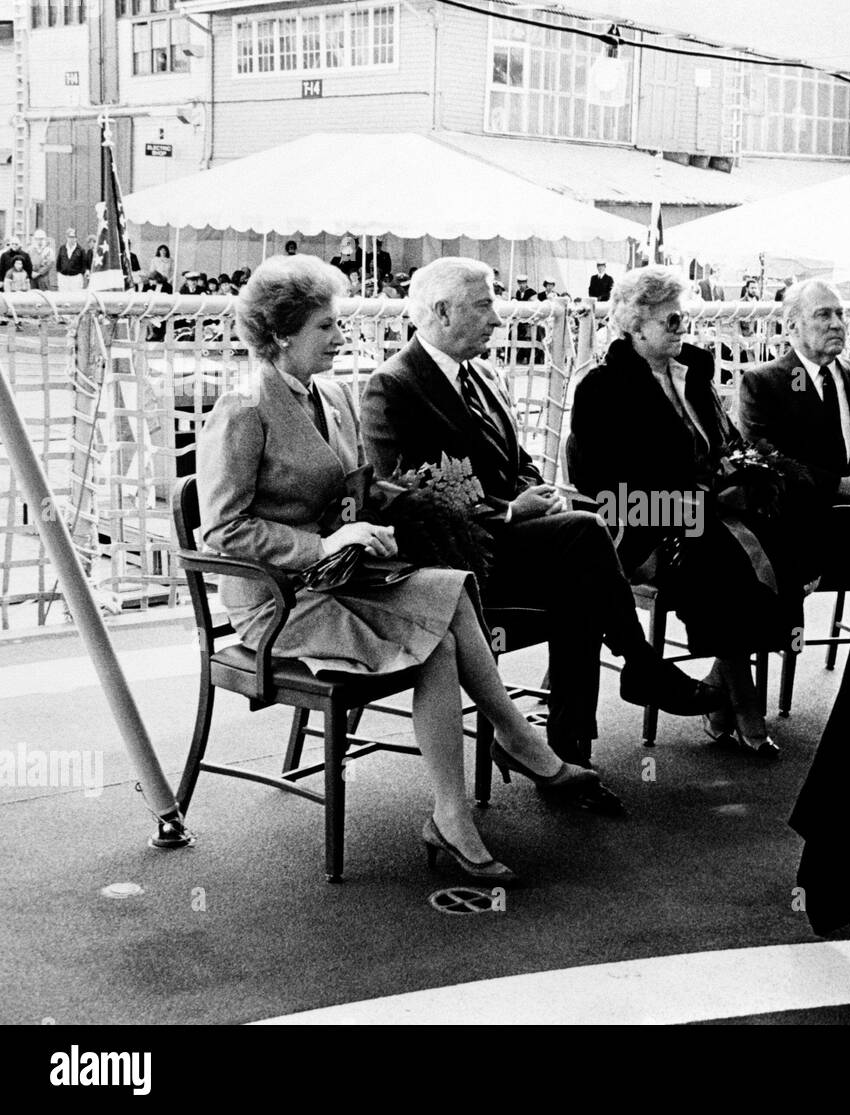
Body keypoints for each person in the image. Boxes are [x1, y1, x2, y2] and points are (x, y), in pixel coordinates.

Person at [197, 255, 619, 881]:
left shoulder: (329, 397)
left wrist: (418, 506)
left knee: (448, 596)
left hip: (339, 579)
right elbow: (221, 530)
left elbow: (358, 487)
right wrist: (324, 545)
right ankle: (500, 764)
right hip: (279, 601)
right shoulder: (244, 409)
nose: (342, 338)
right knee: (441, 639)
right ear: (282, 334)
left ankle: (463, 803)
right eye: (326, 327)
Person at [361, 258, 721, 769]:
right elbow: (407, 500)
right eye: (486, 305)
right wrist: (510, 512)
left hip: (514, 544)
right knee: (584, 537)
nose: (499, 319)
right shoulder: (392, 386)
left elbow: (519, 461)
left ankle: (569, 754)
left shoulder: (482, 373)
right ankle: (637, 668)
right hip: (453, 566)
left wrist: (536, 495)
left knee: (580, 574)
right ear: (441, 312)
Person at [569, 266, 824, 759]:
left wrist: (743, 476)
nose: (682, 326)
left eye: (682, 317)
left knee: (785, 538)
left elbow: (725, 445)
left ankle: (719, 688)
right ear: (634, 326)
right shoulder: (601, 389)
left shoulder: (694, 374)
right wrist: (706, 505)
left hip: (711, 515)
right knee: (720, 559)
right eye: (671, 319)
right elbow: (608, 492)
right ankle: (746, 703)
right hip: (644, 524)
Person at [737, 279, 850, 597]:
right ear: (792, 324)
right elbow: (765, 463)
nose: (837, 324)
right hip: (802, 524)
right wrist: (839, 486)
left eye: (840, 314)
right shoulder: (764, 383)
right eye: (823, 315)